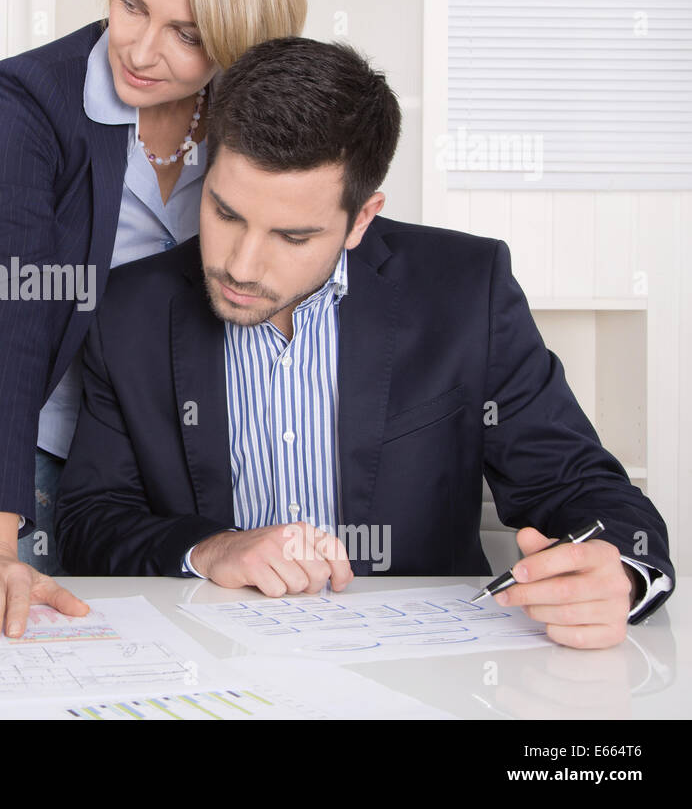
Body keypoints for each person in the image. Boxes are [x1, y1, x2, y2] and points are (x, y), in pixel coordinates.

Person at [55, 36, 674, 649]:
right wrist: (212, 548)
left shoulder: (464, 292)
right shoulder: (129, 309)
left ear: (361, 219)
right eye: (226, 213)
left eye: (292, 237)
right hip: (217, 671)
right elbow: (91, 520)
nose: (241, 266)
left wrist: (621, 571)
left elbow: (578, 484)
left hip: (422, 673)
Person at [0, 0, 307, 639]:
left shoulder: (260, 115)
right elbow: (13, 308)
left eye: (189, 33)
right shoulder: (35, 96)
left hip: (182, 451)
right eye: (133, 4)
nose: (139, 50)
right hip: (39, 438)